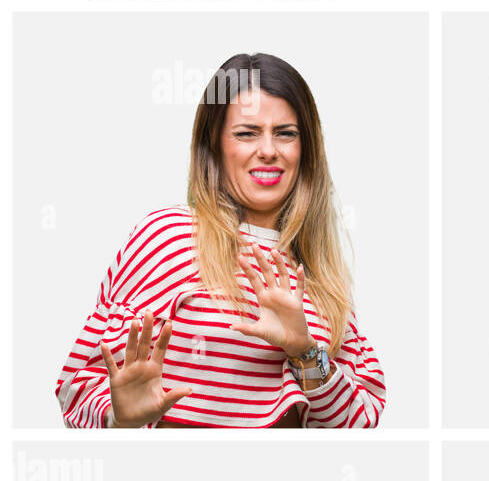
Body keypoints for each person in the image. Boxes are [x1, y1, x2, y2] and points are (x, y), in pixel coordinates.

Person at [56, 52, 386, 428]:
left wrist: (305, 352)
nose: (268, 150)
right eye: (246, 133)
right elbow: (78, 392)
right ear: (214, 145)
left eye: (286, 133)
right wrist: (119, 418)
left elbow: (357, 429)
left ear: (306, 149)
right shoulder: (169, 236)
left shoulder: (323, 278)